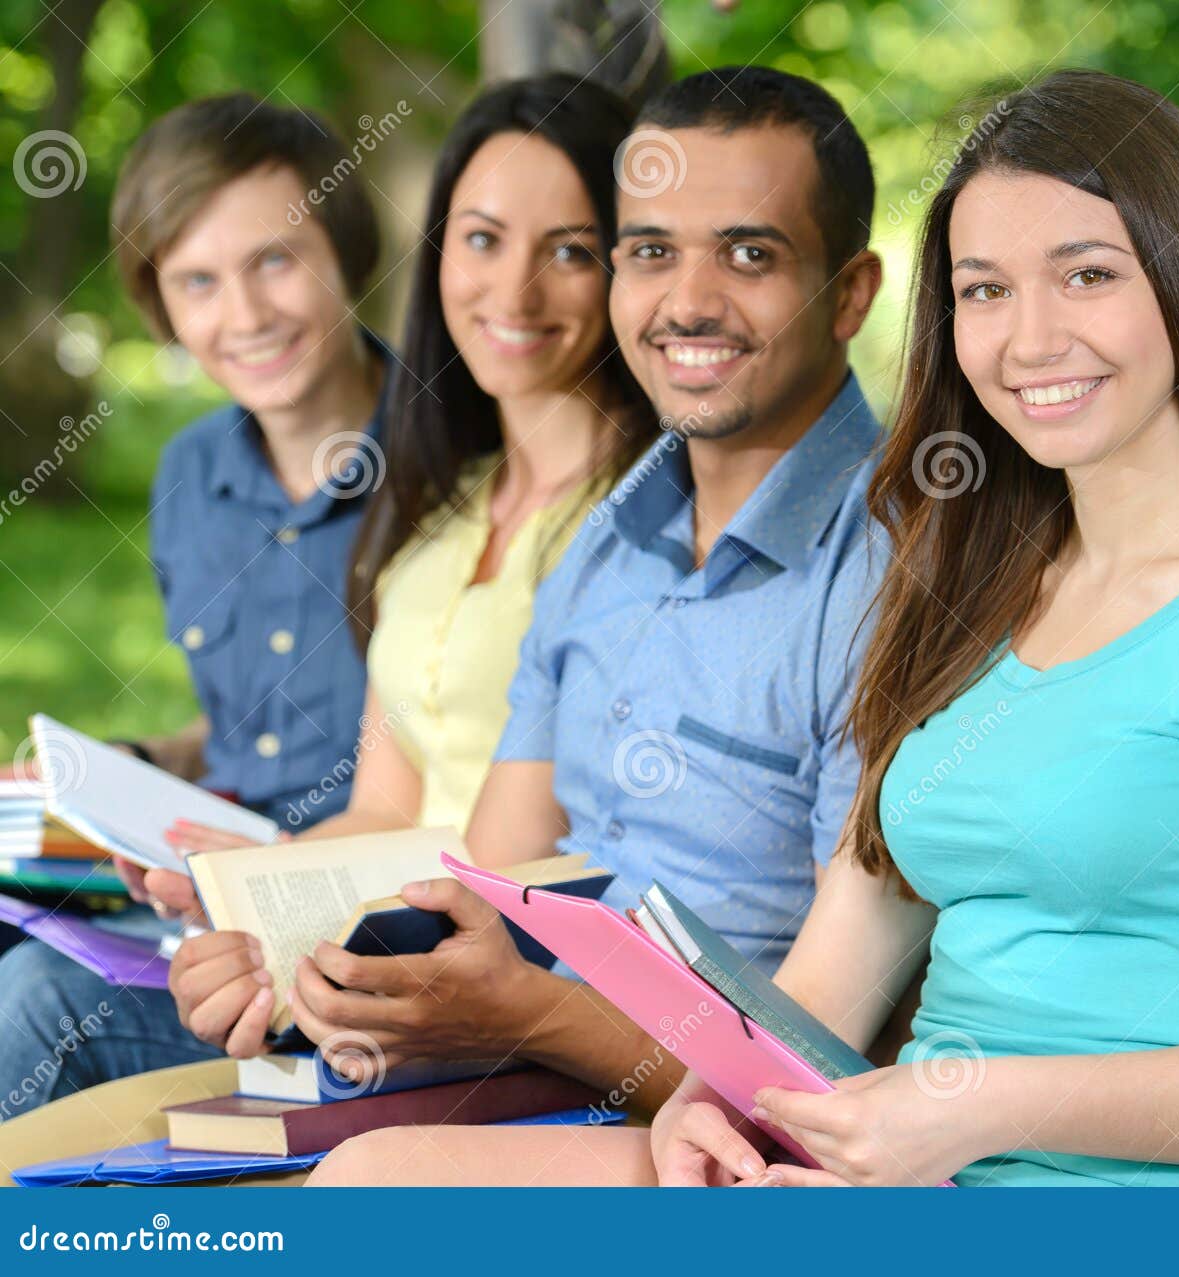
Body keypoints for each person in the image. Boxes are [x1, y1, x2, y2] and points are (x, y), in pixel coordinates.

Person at [324, 68, 1179, 1187]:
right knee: (370, 1180)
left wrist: (969, 1107)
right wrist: (709, 1105)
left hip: (1076, 1204)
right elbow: (824, 989)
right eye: (986, 291)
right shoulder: (971, 583)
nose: (1030, 337)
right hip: (883, 1175)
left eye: (1087, 275)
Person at [301, 66, 886, 1181]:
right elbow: (497, 876)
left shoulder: (893, 573)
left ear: (850, 294)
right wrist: (352, 969)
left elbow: (833, 1056)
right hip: (542, 1072)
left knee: (360, 1190)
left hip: (739, 1134)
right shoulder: (601, 546)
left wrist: (532, 1018)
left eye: (750, 254)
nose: (689, 301)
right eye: (652, 251)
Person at [152, 75, 658, 1059]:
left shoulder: (637, 522)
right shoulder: (436, 510)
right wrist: (246, 896)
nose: (513, 293)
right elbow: (382, 807)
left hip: (506, 994)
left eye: (569, 251)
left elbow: (543, 868)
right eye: (481, 240)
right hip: (386, 953)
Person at [0, 93, 388, 1119]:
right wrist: (111, 765)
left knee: (33, 1005)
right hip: (187, 884)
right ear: (161, 306)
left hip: (333, 935)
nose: (245, 316)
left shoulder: (446, 465)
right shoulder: (192, 472)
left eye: (275, 260)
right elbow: (239, 726)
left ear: (346, 252)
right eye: (198, 282)